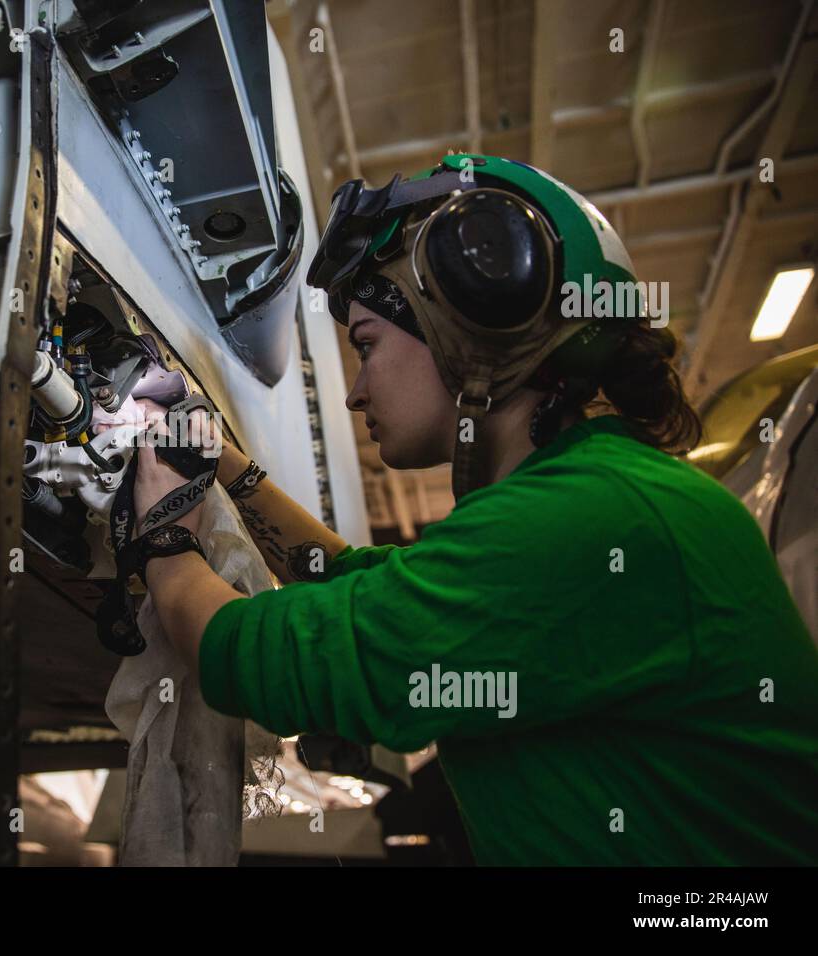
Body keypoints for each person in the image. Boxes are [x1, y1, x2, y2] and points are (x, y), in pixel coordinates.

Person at [116, 155, 818, 865]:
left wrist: (165, 540)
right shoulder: (602, 493)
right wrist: (226, 465)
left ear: (471, 323)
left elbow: (259, 656)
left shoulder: (597, 515)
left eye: (367, 346)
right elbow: (346, 575)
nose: (357, 393)